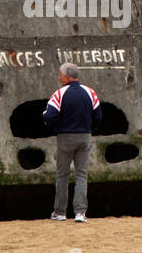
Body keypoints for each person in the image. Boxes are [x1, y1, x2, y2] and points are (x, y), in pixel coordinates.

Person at [42, 62, 101, 222]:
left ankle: (60, 212)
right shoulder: (90, 92)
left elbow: (48, 115)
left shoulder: (60, 94)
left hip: (65, 137)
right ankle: (80, 212)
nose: (59, 77)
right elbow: (98, 116)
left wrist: (56, 125)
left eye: (60, 75)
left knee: (62, 175)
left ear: (66, 76)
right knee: (81, 175)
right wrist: (90, 128)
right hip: (85, 136)